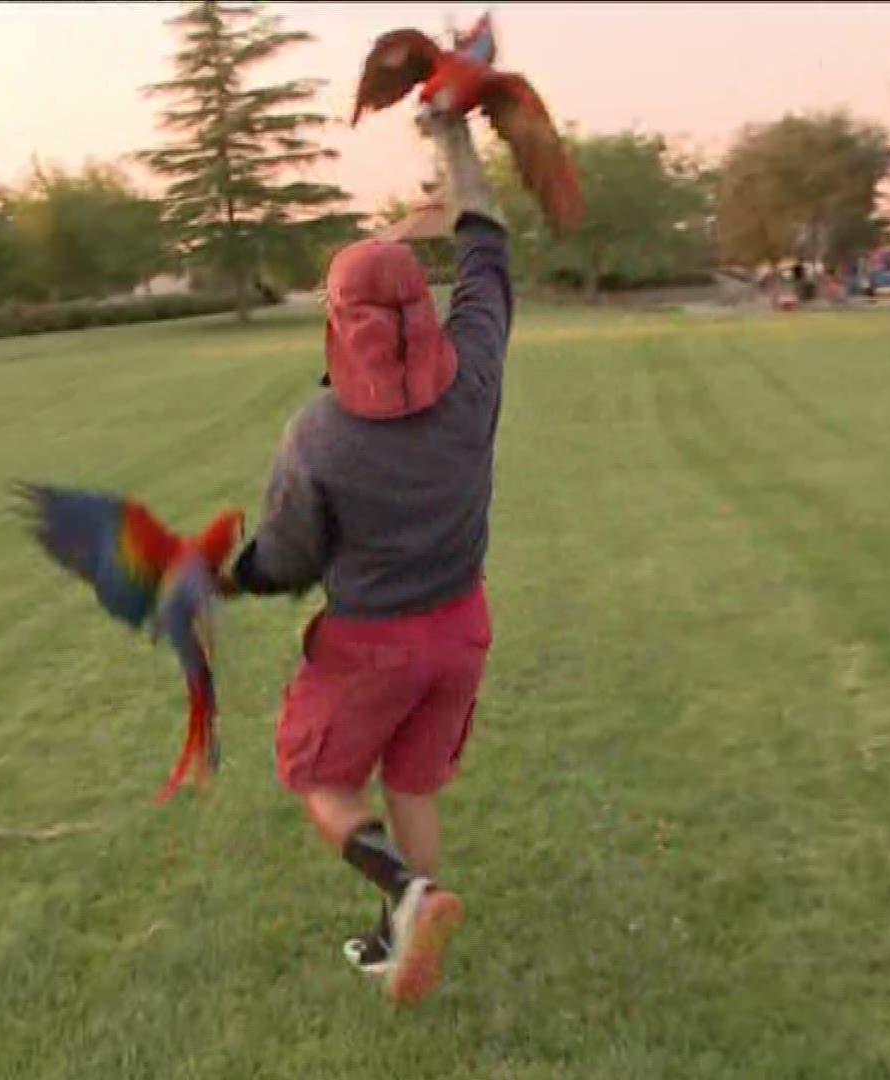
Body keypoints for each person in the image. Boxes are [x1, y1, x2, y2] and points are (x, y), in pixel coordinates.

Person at [216, 107, 510, 1006]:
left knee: (322, 779)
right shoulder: (476, 372)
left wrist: (233, 575)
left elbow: (290, 555)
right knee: (414, 780)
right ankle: (404, 932)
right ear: (421, 307)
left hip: (369, 644)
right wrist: (455, 139)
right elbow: (489, 245)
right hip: (461, 627)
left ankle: (406, 892)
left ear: (339, 327)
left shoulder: (321, 434)